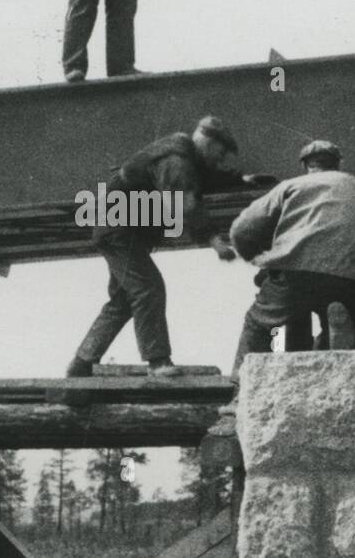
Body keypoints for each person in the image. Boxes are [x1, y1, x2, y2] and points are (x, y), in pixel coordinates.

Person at [67, 117, 242, 378]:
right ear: (208, 141)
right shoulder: (176, 160)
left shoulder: (183, 155)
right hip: (119, 231)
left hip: (122, 229)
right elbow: (184, 203)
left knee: (124, 300)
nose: (221, 159)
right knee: (149, 288)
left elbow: (202, 177)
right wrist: (213, 240)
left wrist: (240, 179)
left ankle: (81, 363)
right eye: (220, 152)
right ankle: (158, 361)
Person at [226, 140, 355, 390]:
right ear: (337, 163)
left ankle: (241, 390)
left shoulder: (291, 186)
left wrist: (257, 259)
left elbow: (243, 229)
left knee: (259, 323)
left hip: (297, 269)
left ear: (306, 165)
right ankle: (337, 351)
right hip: (351, 275)